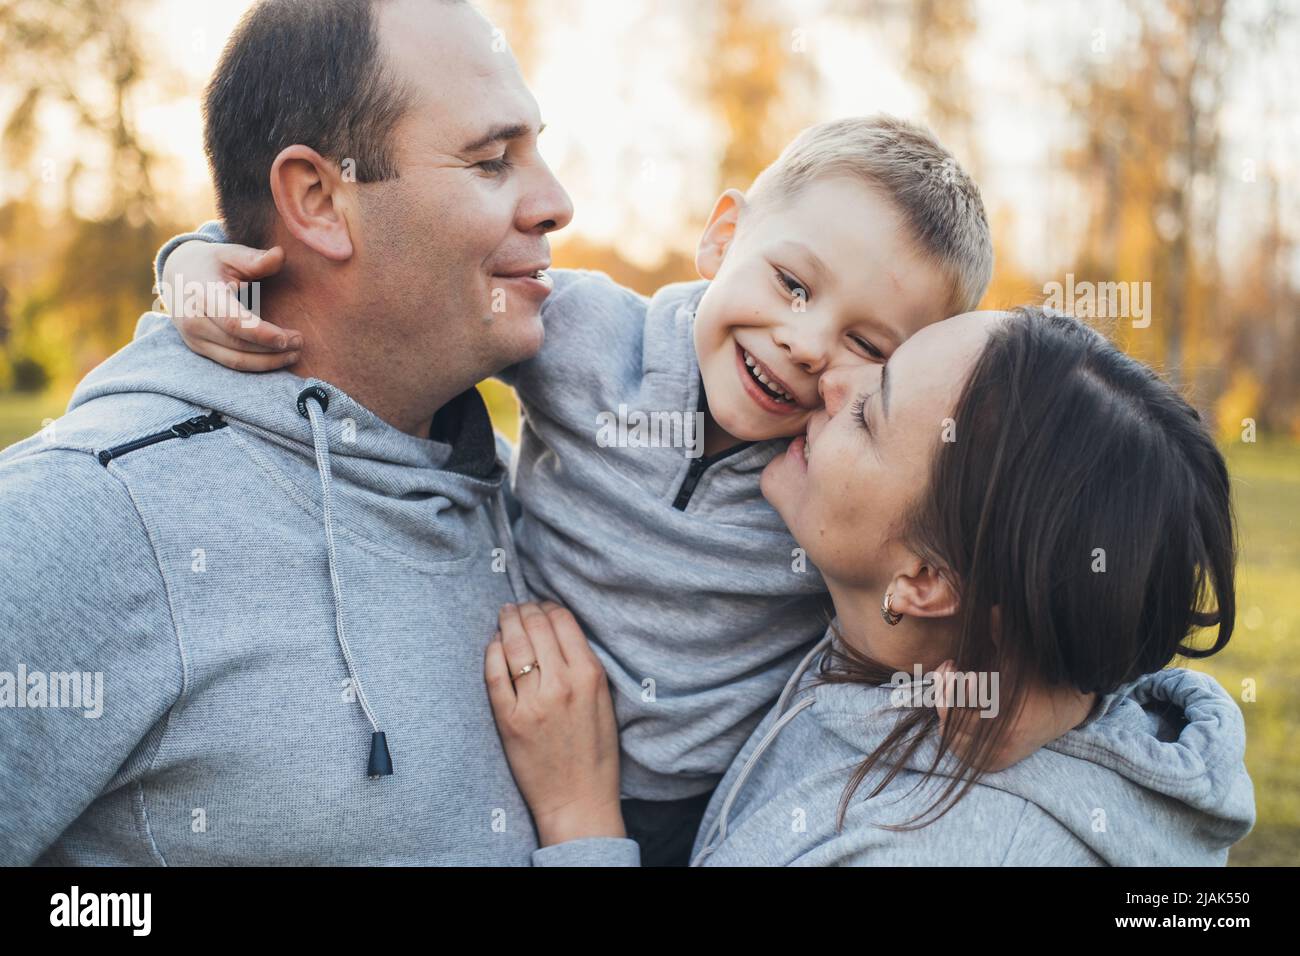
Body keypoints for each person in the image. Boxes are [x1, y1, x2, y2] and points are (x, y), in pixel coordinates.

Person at [156, 116, 1096, 865]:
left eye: (868, 346)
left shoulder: (847, 495)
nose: (809, 345)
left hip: (688, 815)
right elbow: (398, 278)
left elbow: (989, 562)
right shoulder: (589, 338)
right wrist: (196, 259)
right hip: (493, 727)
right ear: (723, 236)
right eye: (793, 282)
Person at [0, 0, 638, 865]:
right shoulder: (81, 522)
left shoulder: (544, 498)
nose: (556, 202)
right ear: (318, 199)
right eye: (492, 161)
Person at [488, 308, 1256, 866]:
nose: (830, 376)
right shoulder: (974, 649)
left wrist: (579, 822)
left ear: (924, 581)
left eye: (871, 410)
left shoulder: (957, 850)